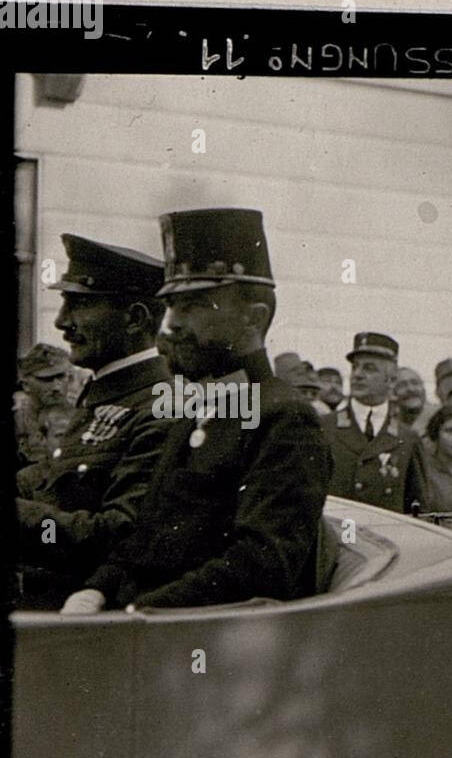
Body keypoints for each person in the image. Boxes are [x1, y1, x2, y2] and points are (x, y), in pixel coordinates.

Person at [64, 207, 331, 612]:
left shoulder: (285, 417)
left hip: (199, 643)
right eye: (171, 306)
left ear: (253, 319)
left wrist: (139, 613)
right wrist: (96, 590)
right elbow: (148, 535)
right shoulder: (198, 406)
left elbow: (261, 565)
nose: (169, 324)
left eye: (193, 305)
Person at [17, 234, 173, 608]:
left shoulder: (161, 408)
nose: (60, 322)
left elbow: (119, 536)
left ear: (135, 318)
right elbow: (52, 482)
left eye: (79, 304)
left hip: (82, 622)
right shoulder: (104, 391)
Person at [323, 332, 432, 514]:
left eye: (369, 368)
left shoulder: (407, 438)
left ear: (391, 380)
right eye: (355, 367)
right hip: (337, 538)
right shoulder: (325, 427)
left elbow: (418, 509)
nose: (357, 375)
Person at [15, 342, 80, 469]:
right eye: (47, 379)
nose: (56, 387)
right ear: (26, 385)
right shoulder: (17, 421)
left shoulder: (82, 412)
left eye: (61, 377)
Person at [393, 366, 436, 436]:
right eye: (402, 385)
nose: (411, 389)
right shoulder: (388, 425)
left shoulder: (441, 417)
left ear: (423, 388)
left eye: (415, 383)